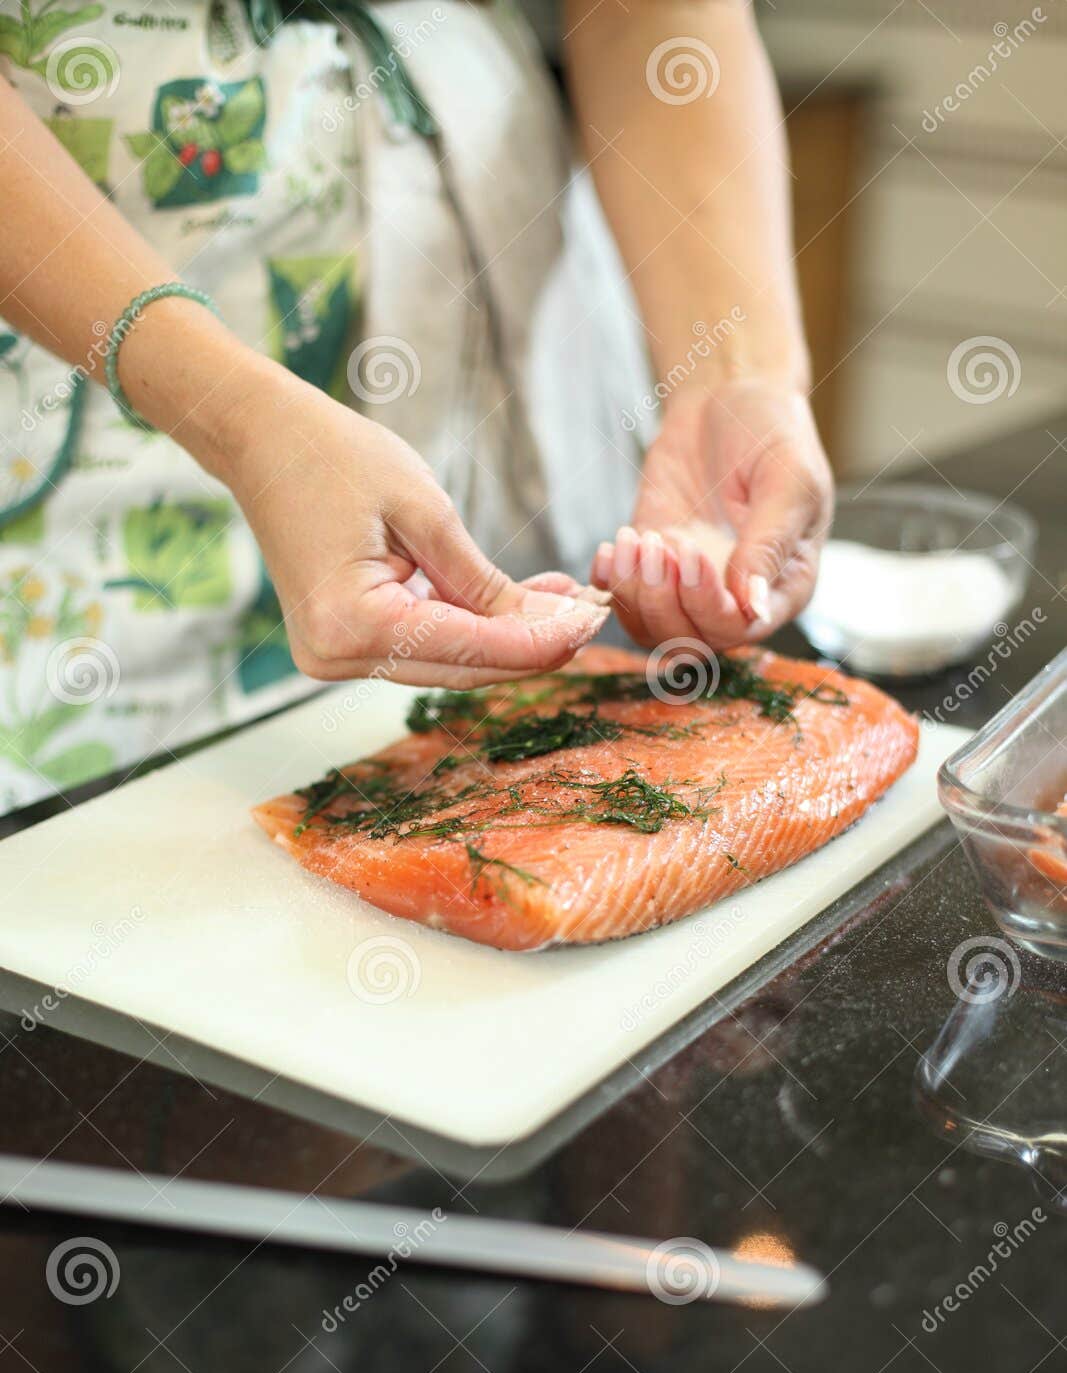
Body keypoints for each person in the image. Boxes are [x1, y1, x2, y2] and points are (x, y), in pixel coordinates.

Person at [0, 0, 832, 814]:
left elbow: (648, 13)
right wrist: (237, 416)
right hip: (81, 320)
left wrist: (733, 373)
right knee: (95, 848)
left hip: (477, 302)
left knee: (505, 794)